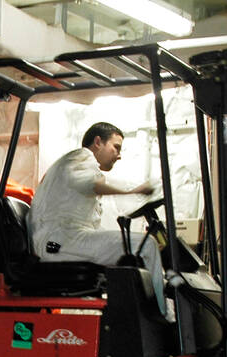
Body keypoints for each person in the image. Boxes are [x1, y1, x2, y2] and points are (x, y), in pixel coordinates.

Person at [28, 121, 166, 312]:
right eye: (116, 147)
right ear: (98, 142)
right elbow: (88, 184)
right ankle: (162, 317)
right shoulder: (81, 156)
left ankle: (137, 313)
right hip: (59, 241)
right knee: (147, 245)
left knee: (134, 248)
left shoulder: (78, 166)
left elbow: (92, 190)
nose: (119, 156)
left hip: (62, 239)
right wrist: (132, 191)